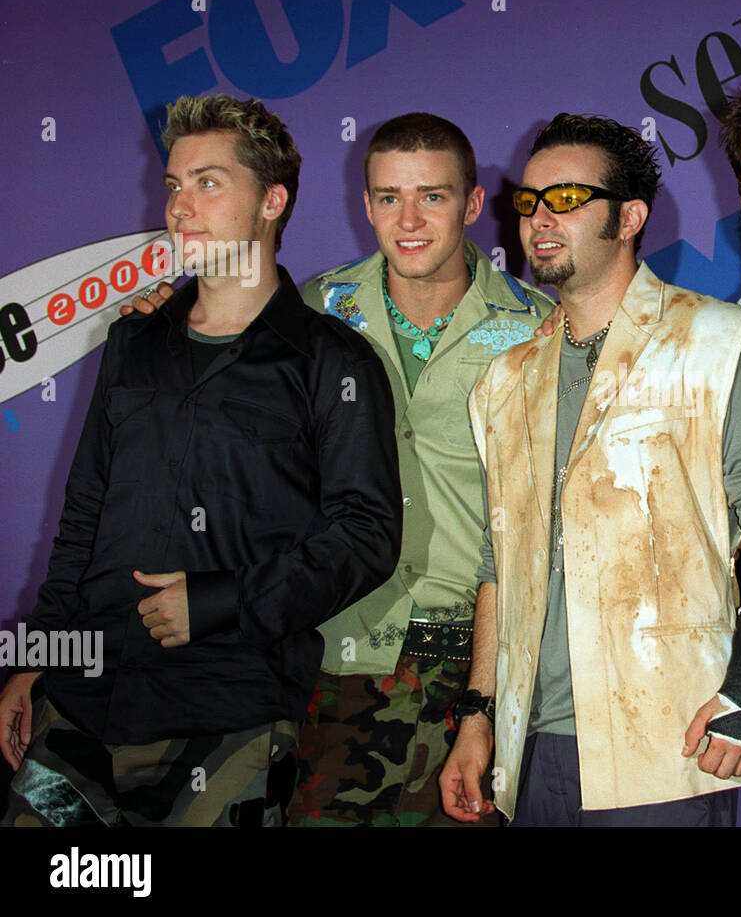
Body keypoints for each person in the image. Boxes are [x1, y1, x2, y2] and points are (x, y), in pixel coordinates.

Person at [118, 113, 553, 826]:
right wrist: (170, 326)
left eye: (433, 197)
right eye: (388, 197)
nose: (408, 219)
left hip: (480, 669)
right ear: (365, 204)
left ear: (474, 205)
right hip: (333, 662)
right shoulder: (305, 314)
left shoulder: (539, 327)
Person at [0, 94, 401, 827]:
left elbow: (367, 535)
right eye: (175, 184)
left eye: (209, 183)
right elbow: (84, 511)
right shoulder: (134, 342)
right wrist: (37, 653)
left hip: (228, 713)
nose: (181, 206)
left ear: (272, 201)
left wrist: (221, 601)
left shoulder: (333, 362)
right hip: (82, 700)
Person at [439, 114, 741, 826]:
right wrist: (478, 713)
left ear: (630, 216)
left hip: (671, 739)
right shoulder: (505, 381)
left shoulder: (716, 341)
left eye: (568, 198)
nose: (541, 218)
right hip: (530, 748)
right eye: (530, 200)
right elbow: (496, 560)